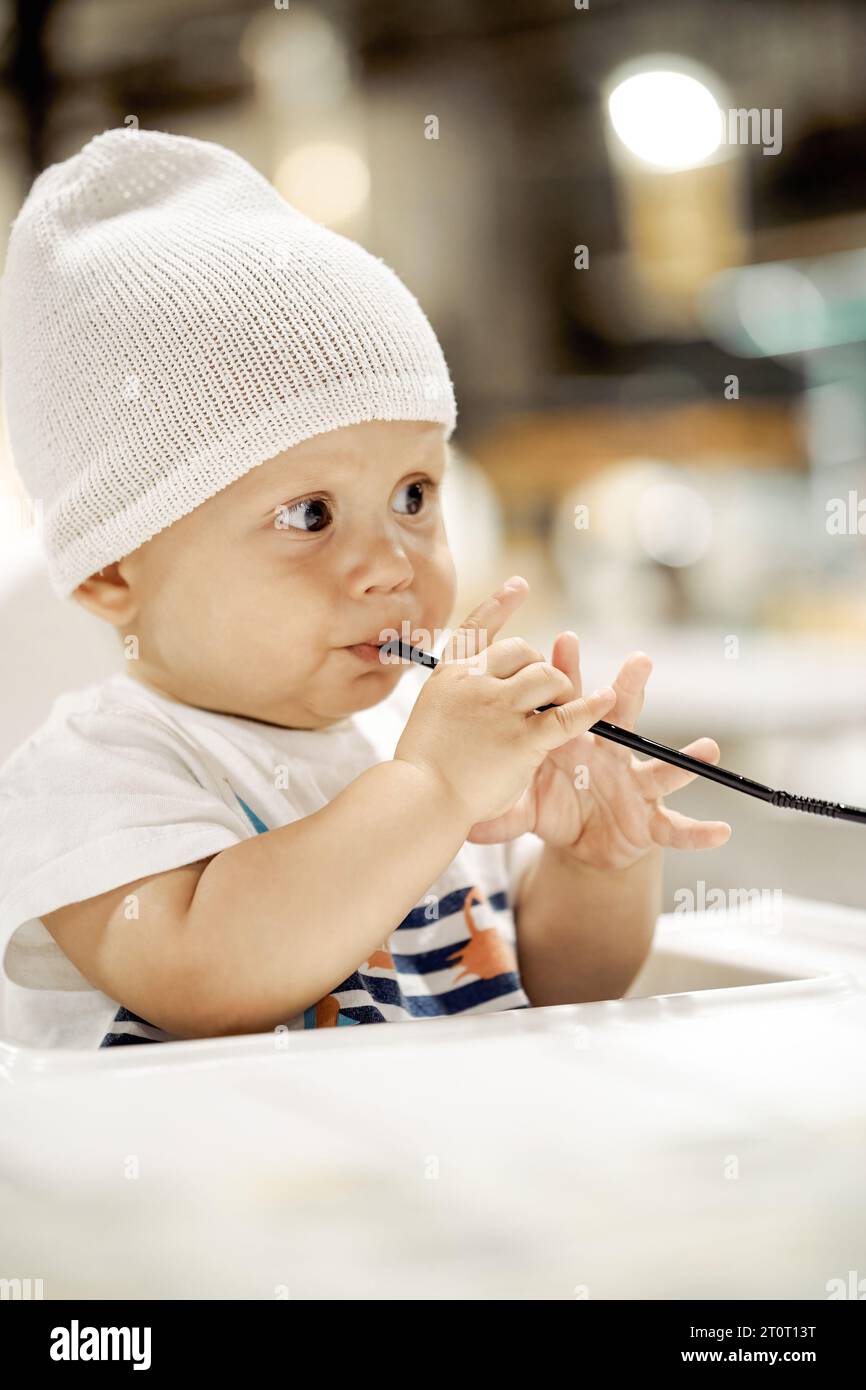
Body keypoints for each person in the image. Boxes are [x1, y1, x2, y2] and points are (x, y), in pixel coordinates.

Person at [0, 129, 730, 1050]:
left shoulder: (426, 745)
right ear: (112, 567)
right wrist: (428, 787)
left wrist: (594, 866)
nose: (391, 564)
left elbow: (548, 993)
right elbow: (207, 978)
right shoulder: (90, 779)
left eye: (414, 496)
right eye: (309, 515)